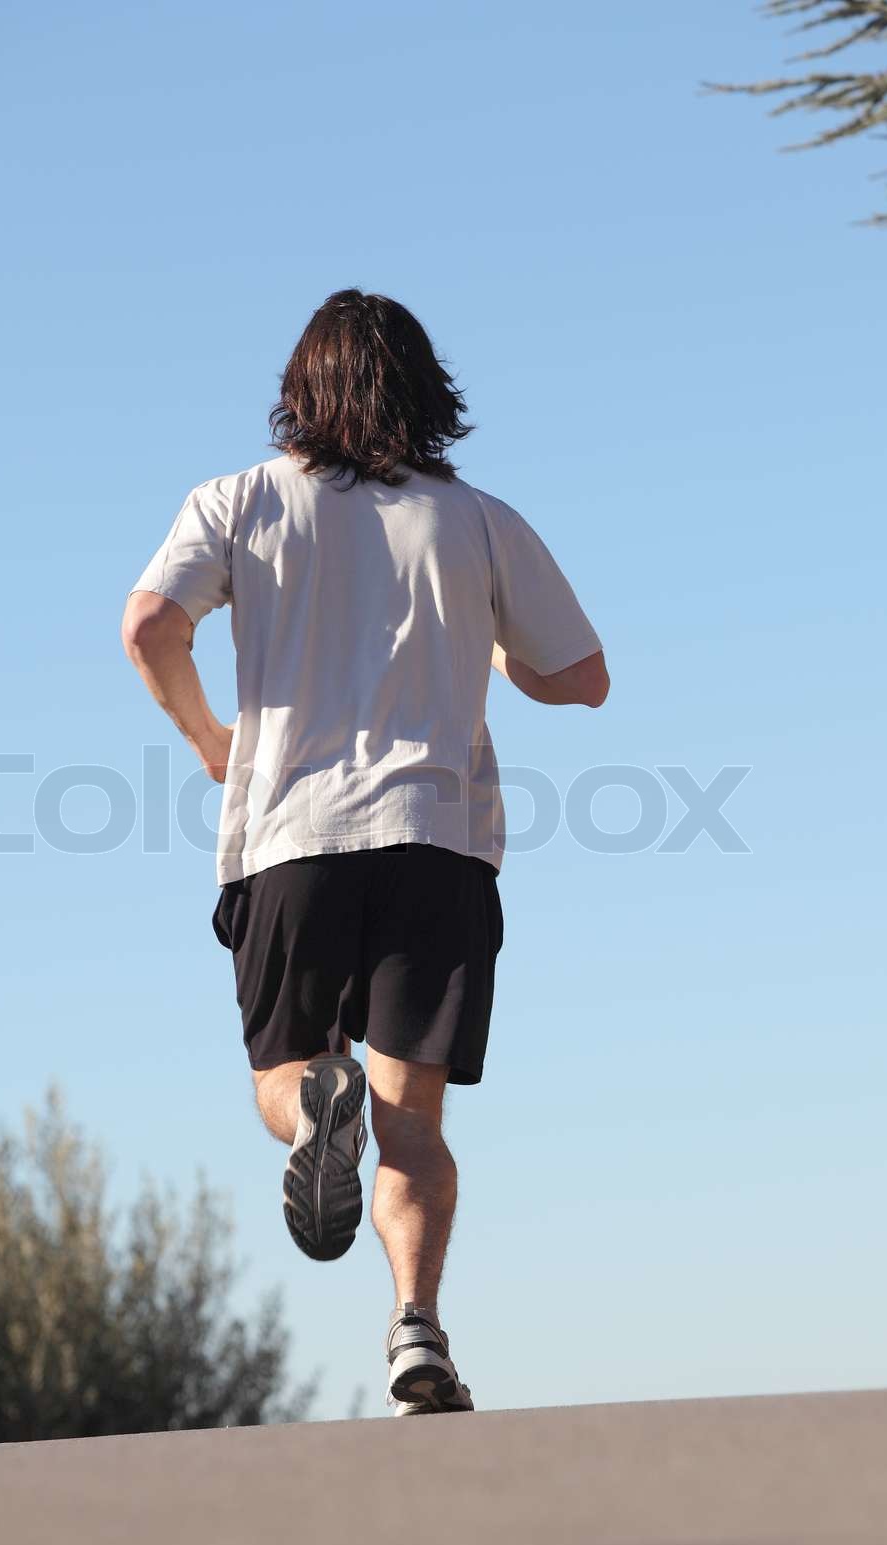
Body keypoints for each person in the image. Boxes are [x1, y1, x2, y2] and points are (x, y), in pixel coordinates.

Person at [122, 289, 608, 1418]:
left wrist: (207, 739)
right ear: (426, 390)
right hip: (438, 845)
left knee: (283, 1083)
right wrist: (488, 642)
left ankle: (312, 1116)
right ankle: (415, 1332)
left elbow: (149, 624)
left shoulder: (238, 499)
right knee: (413, 1122)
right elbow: (581, 678)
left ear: (299, 389)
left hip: (288, 840)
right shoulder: (475, 518)